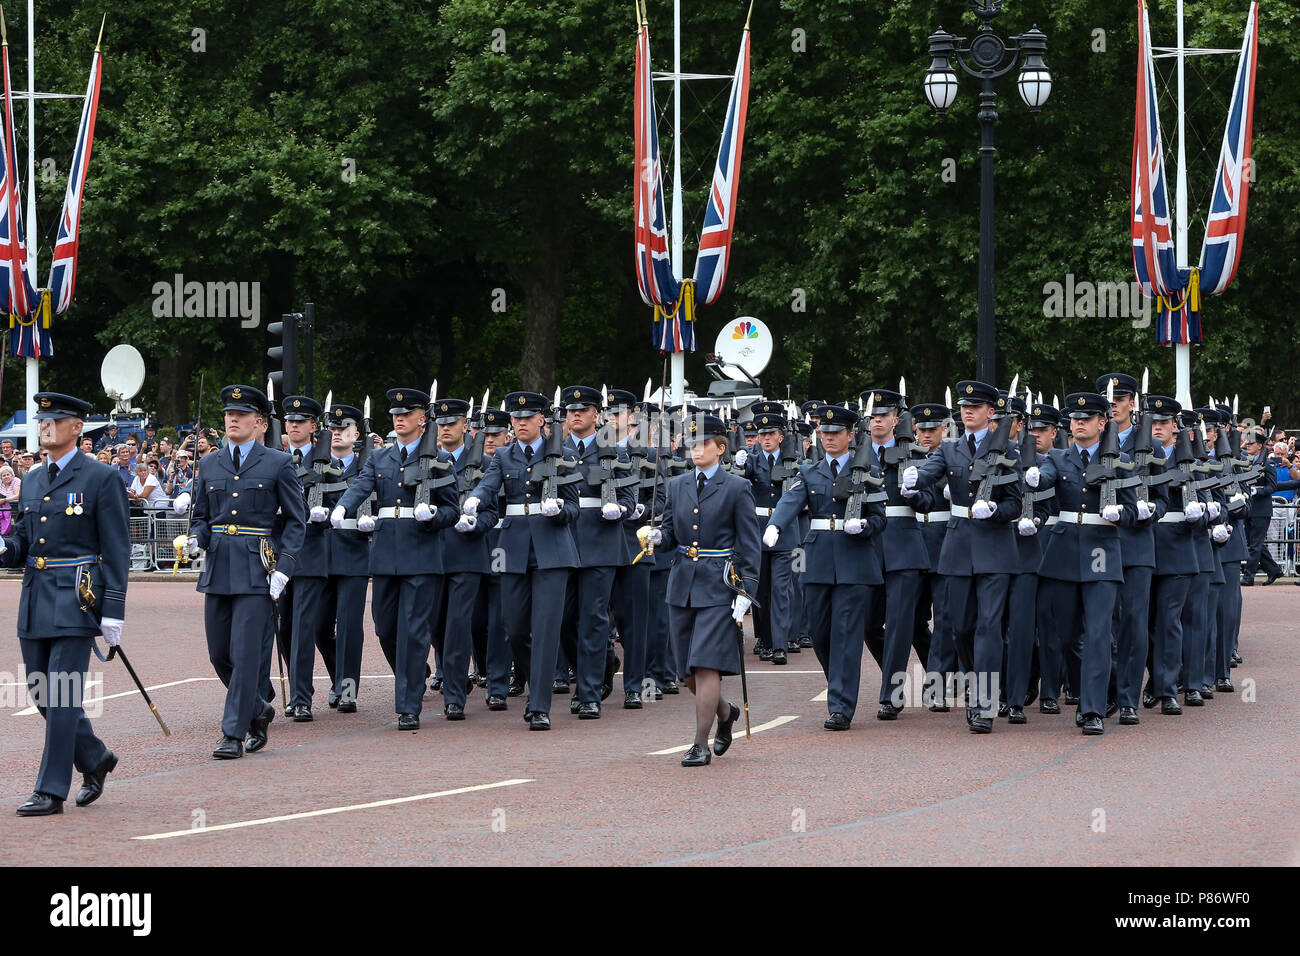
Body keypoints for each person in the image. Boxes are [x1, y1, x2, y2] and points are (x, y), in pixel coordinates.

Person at [0, 392, 129, 815]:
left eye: (54, 420)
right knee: (41, 691)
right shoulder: (33, 477)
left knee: (63, 692)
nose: (44, 427)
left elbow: (117, 549)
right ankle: (94, 757)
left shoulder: (100, 477)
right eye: (42, 421)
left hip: (77, 594)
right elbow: (23, 539)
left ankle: (50, 790)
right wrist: (5, 547)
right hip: (37, 593)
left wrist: (113, 609)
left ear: (77, 427)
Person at [185, 384, 306, 759]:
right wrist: (194, 539)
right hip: (219, 566)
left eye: (240, 415)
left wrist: (284, 568)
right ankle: (258, 709)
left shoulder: (278, 463)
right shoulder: (209, 463)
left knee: (246, 652)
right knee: (219, 654)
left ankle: (232, 734)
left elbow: (296, 521)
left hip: (258, 568)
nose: (232, 419)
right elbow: (203, 516)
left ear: (260, 422)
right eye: (228, 414)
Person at [333, 388, 459, 731]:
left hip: (422, 553)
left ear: (422, 419)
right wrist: (343, 506)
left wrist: (433, 514)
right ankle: (415, 673)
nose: (399, 418)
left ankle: (408, 704)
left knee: (415, 629)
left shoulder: (439, 459)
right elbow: (362, 485)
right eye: (395, 414)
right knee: (386, 626)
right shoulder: (380, 457)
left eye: (407, 413)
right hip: (386, 553)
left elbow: (452, 510)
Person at [639, 413, 759, 766]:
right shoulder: (676, 486)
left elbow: (750, 546)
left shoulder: (737, 488)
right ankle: (726, 713)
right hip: (682, 585)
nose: (695, 448)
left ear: (720, 448)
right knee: (687, 672)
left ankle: (698, 744)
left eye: (703, 443)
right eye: (691, 443)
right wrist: (657, 537)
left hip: (719, 584)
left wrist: (745, 591)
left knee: (706, 665)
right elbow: (671, 535)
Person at [905, 381, 1023, 734]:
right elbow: (931, 472)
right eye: (964, 406)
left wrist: (996, 511)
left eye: (976, 406)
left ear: (991, 412)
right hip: (958, 547)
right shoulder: (951, 448)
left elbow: (1015, 503)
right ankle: (976, 683)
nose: (967, 411)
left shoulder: (1008, 450)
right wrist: (914, 479)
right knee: (961, 628)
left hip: (995, 548)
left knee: (989, 626)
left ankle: (983, 703)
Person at [461, 391, 581, 731]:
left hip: (552, 550)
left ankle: (539, 704)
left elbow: (573, 507)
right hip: (512, 549)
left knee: (545, 631)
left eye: (527, 418)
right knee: (513, 629)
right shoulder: (502, 455)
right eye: (516, 418)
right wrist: (474, 500)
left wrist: (559, 511)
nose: (521, 423)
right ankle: (536, 679)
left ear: (542, 420)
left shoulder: (562, 453)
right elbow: (488, 485)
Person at [769, 403, 887, 731]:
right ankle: (838, 681)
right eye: (825, 433)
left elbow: (880, 519)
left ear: (851, 435)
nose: (829, 438)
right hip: (818, 560)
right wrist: (776, 525)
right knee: (819, 633)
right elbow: (790, 501)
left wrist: (863, 527)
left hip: (855, 561)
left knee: (846, 634)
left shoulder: (868, 472)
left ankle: (840, 706)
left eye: (836, 433)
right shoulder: (810, 472)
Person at [318, 403, 372, 713]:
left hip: (353, 551)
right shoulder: (317, 464)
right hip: (321, 555)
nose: (338, 433)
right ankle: (338, 676)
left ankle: (347, 688)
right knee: (318, 627)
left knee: (350, 626)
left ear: (356, 435)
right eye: (334, 429)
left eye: (345, 429)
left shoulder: (368, 466)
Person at [0, 463, 19, 536]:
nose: (6, 477)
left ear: (12, 475)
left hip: (14, 508)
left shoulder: (16, 480)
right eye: (3, 475)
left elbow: (17, 496)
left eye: (8, 474)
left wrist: (4, 500)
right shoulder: (0, 482)